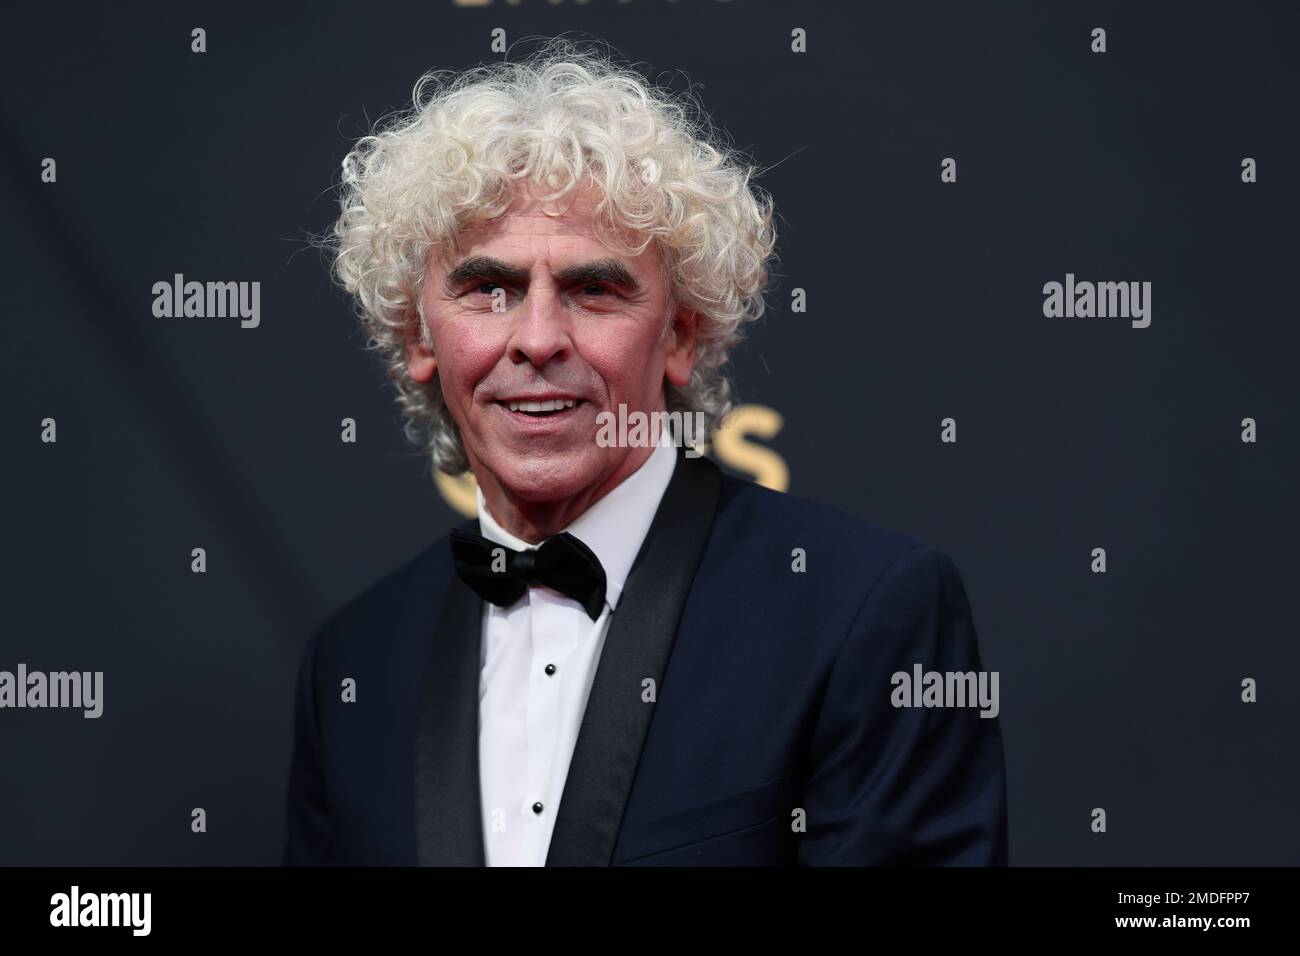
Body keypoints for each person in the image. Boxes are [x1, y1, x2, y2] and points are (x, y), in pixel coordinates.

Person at [283, 40, 1008, 866]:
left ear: (681, 336)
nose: (539, 339)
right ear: (420, 338)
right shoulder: (354, 663)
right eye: (490, 289)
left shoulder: (862, 614)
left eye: (595, 289)